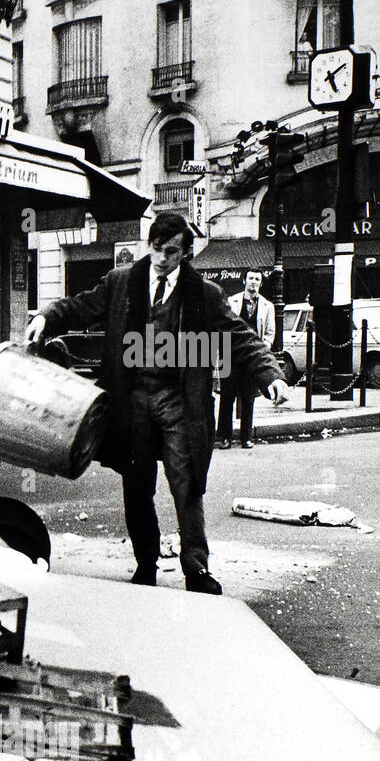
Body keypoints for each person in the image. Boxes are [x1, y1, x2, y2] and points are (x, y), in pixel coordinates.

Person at [25, 213, 289, 594]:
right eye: (156, 249)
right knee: (136, 485)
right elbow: (83, 306)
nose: (162, 258)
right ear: (148, 245)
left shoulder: (203, 293)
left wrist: (271, 375)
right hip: (132, 400)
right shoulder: (122, 282)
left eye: (171, 252)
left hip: (179, 401)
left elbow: (239, 335)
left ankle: (196, 569)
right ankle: (145, 563)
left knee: (187, 485)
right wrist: (46, 317)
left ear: (184, 254)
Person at [218, 270, 274, 450]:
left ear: (261, 283)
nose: (253, 282)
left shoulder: (267, 306)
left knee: (249, 397)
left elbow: (270, 333)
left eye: (257, 279)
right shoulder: (232, 301)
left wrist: (262, 350)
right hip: (230, 354)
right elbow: (223, 326)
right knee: (227, 397)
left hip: (251, 357)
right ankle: (225, 437)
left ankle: (246, 438)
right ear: (244, 281)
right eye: (250, 278)